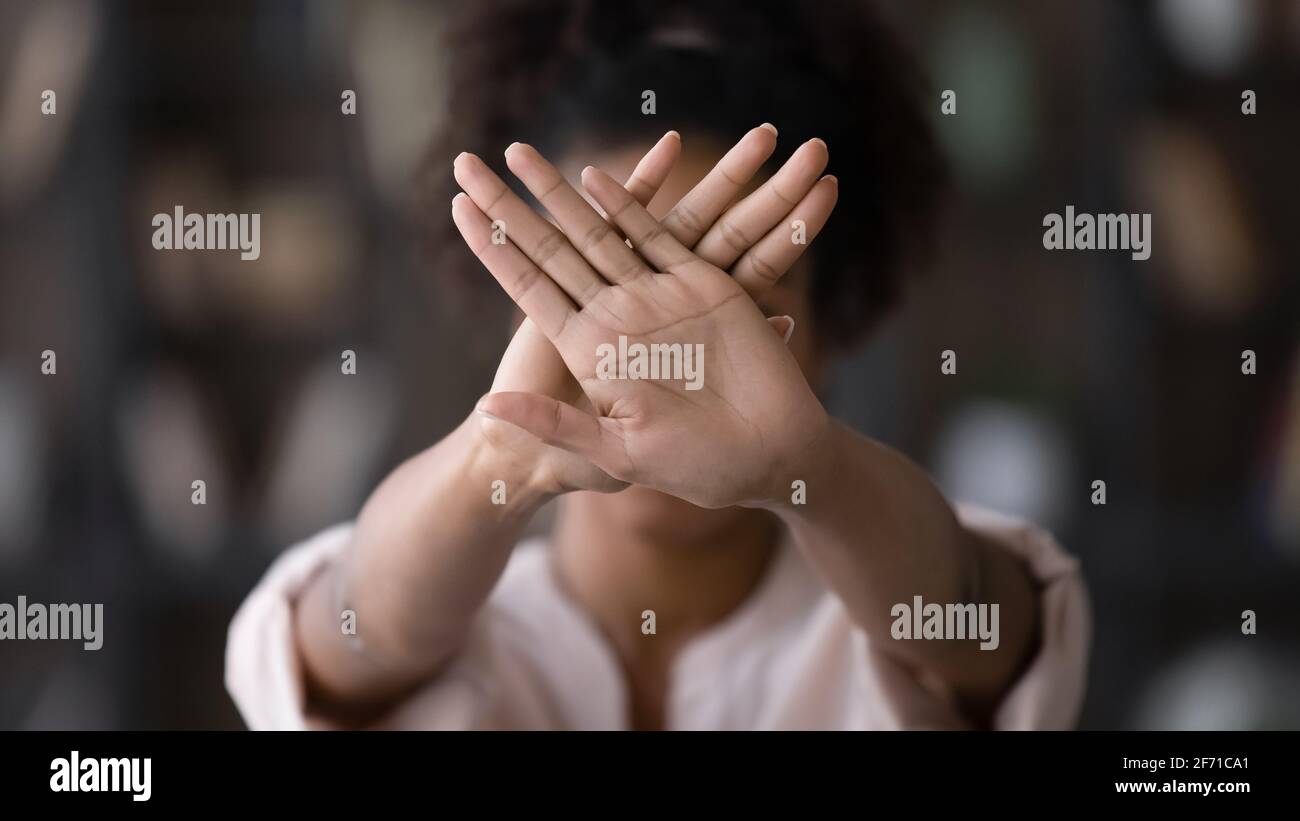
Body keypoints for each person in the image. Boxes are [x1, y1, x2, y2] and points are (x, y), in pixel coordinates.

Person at [226, 0, 1089, 730]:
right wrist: (498, 457)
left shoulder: (891, 598)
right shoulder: (449, 607)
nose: (657, 363)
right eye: (596, 287)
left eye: (746, 304)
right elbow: (355, 631)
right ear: (517, 303)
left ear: (838, 321)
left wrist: (811, 472)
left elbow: (974, 620)